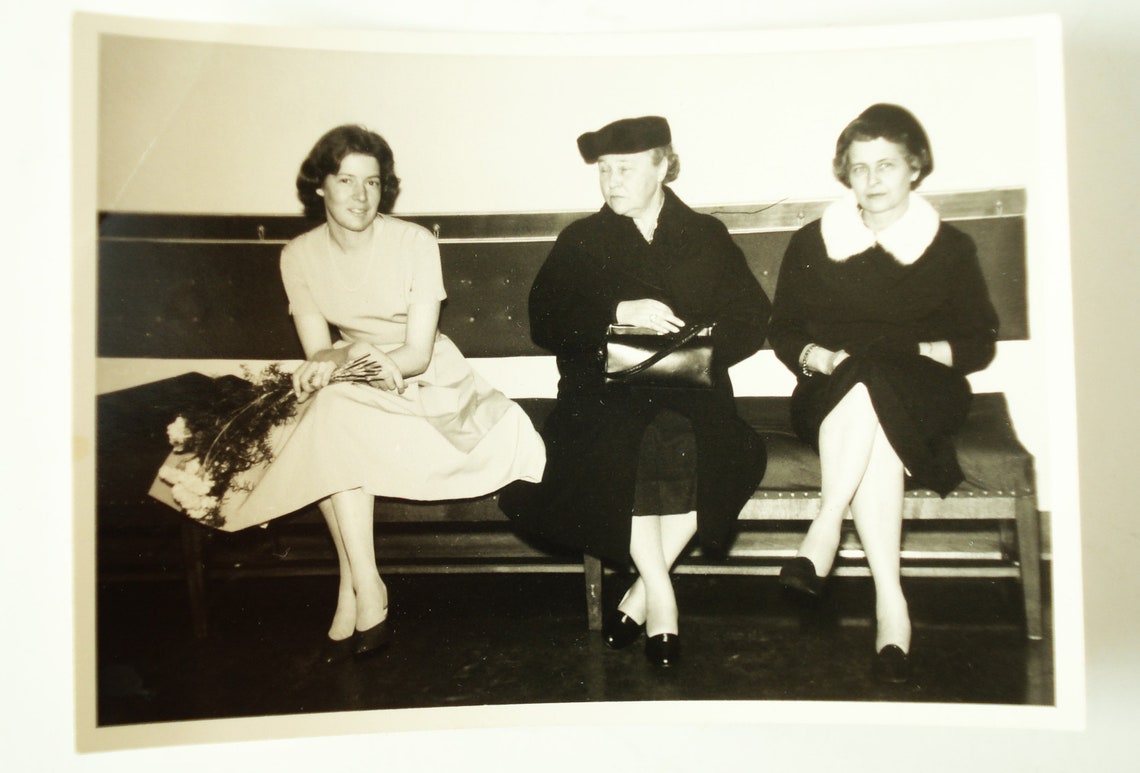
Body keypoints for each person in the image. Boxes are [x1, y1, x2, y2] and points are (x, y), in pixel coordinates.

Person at [158, 125, 546, 659]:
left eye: (373, 182)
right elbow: (321, 351)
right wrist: (336, 362)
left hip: (424, 380)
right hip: (352, 376)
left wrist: (356, 359)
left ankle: (358, 586)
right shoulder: (298, 255)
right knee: (327, 408)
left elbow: (417, 353)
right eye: (346, 180)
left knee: (332, 411)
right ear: (320, 185)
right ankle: (363, 583)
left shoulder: (414, 243)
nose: (361, 196)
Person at [500, 116, 770, 668]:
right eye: (604, 170)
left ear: (663, 166)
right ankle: (663, 599)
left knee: (729, 450)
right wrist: (616, 310)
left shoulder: (707, 235)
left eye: (624, 169)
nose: (611, 181)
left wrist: (700, 343)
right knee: (623, 444)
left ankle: (643, 592)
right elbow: (544, 320)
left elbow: (751, 315)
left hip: (691, 388)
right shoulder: (581, 240)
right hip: (603, 389)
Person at [768, 104, 999, 683]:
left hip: (925, 387)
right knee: (869, 391)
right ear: (845, 173)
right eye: (859, 167)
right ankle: (891, 605)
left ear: (915, 167)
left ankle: (826, 527)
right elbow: (785, 332)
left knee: (878, 381)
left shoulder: (949, 247)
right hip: (832, 388)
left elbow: (978, 343)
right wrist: (825, 359)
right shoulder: (814, 242)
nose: (871, 179)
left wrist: (913, 350)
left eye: (886, 165)